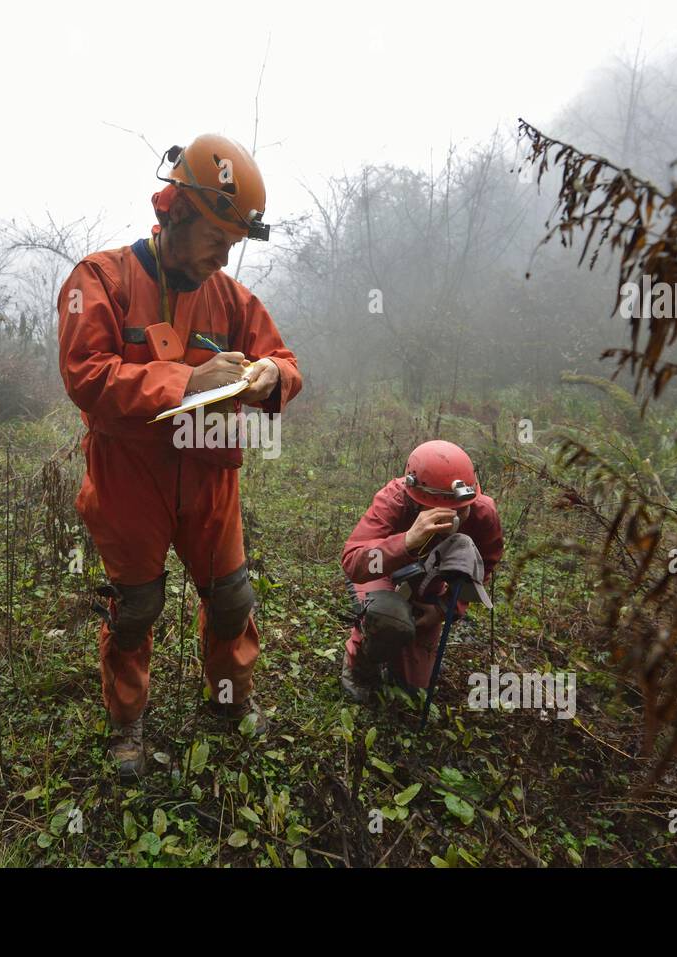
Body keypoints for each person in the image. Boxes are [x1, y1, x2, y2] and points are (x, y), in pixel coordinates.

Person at [56, 134, 302, 779]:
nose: (223, 257)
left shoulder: (231, 298)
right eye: (216, 239)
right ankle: (127, 725)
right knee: (135, 609)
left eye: (233, 244)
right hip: (127, 479)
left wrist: (273, 376)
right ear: (175, 210)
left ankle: (230, 698)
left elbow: (284, 360)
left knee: (230, 598)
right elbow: (87, 376)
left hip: (212, 477)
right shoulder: (99, 279)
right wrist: (185, 382)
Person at [340, 440, 503, 702]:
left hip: (427, 581)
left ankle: (397, 647)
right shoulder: (395, 499)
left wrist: (444, 607)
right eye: (442, 511)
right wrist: (406, 542)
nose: (454, 518)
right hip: (381, 571)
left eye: (461, 509)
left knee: (412, 690)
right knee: (390, 620)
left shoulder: (483, 514)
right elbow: (353, 561)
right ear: (418, 500)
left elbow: (484, 567)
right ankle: (359, 662)